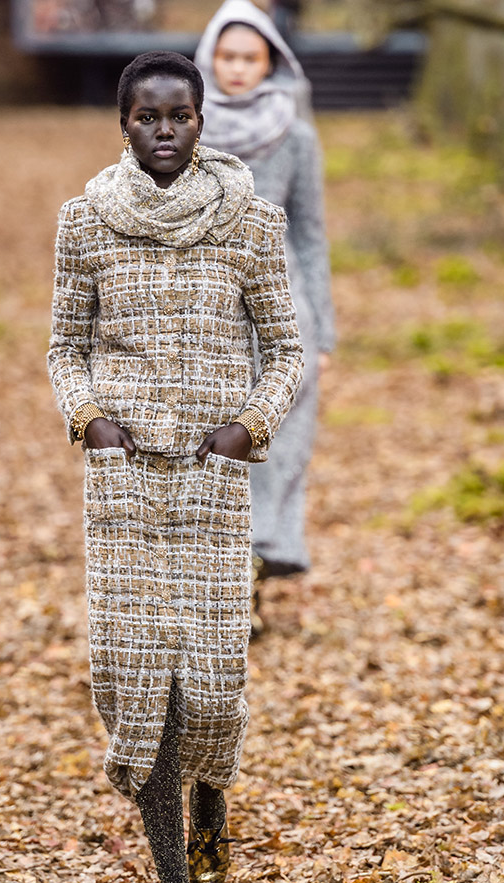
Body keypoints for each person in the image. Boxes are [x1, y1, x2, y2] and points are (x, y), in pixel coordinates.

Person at [47, 51, 303, 883]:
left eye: (181, 116)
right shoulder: (85, 224)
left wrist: (248, 428)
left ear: (203, 122)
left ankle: (209, 817)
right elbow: (63, 348)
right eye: (147, 116)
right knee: (134, 680)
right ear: (123, 124)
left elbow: (285, 350)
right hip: (123, 487)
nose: (164, 130)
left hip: (212, 481)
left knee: (210, 689)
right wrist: (92, 422)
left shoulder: (248, 222)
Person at [195, 0, 336, 627]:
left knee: (279, 445)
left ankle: (257, 560)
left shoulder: (297, 137)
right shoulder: (179, 129)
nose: (237, 68)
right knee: (211, 443)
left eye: (250, 57)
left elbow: (310, 236)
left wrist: (324, 331)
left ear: (271, 62)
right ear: (209, 58)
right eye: (228, 56)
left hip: (284, 316)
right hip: (203, 315)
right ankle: (225, 580)